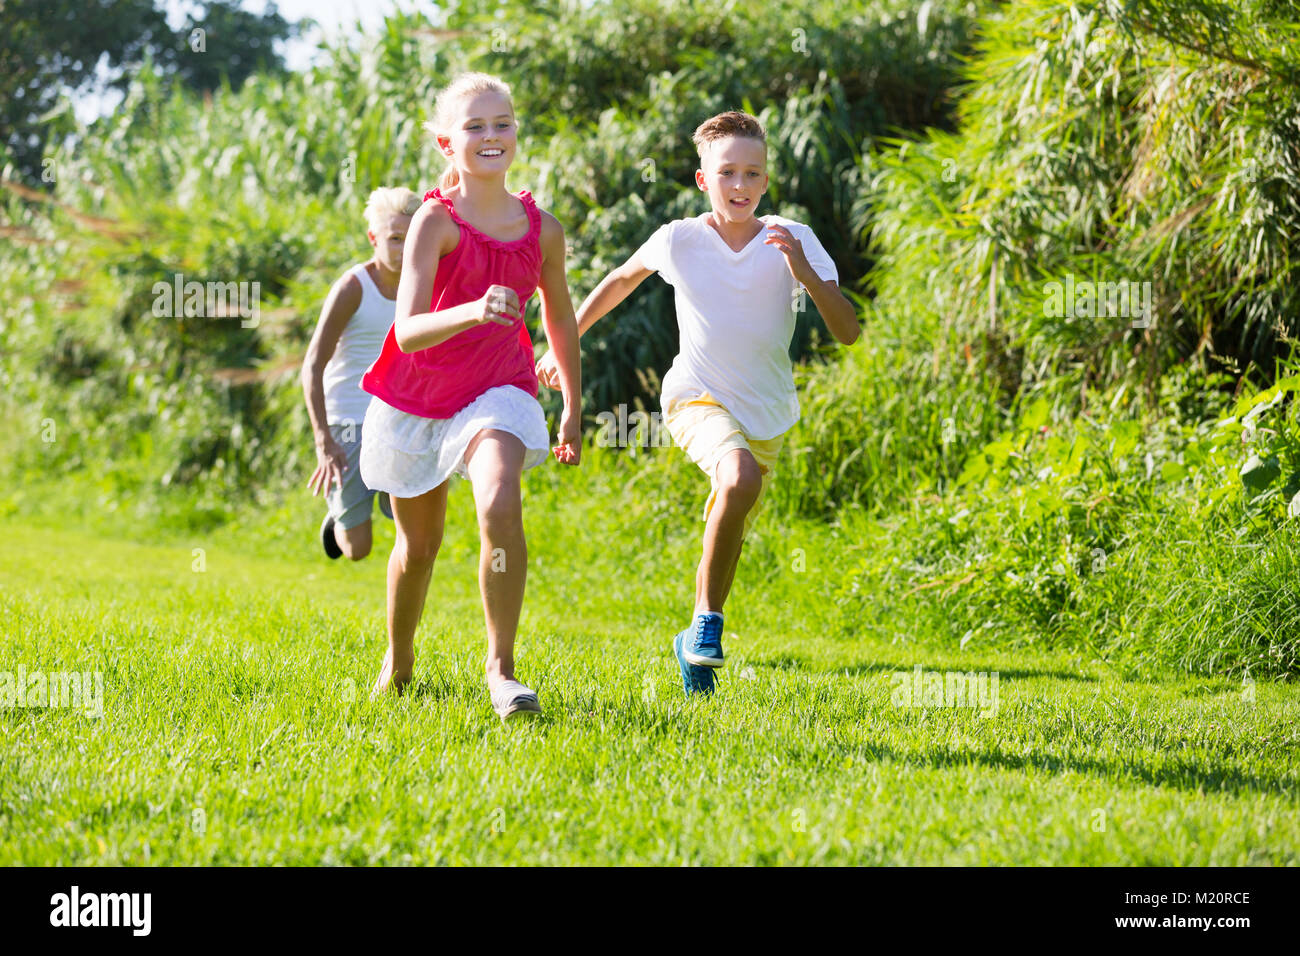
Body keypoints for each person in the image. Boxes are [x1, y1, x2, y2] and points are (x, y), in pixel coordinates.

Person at [537, 110, 859, 695]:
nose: (740, 185)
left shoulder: (793, 238)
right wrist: (567, 343)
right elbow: (619, 280)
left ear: (765, 182)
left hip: (768, 409)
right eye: (727, 172)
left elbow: (847, 331)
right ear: (702, 179)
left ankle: (691, 640)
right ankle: (710, 625)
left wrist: (805, 274)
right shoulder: (680, 239)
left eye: (752, 174)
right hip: (694, 394)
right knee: (737, 482)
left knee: (730, 519)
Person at [359, 72, 582, 719]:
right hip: (418, 395)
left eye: (502, 123)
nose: (491, 136)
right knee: (418, 547)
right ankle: (399, 664)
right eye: (475, 126)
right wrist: (474, 310)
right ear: (446, 143)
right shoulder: (436, 222)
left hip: (497, 390)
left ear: (516, 132)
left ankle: (502, 670)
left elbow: (560, 319)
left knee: (499, 493)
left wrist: (570, 401)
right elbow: (407, 329)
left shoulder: (544, 231)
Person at [302, 187, 421, 560]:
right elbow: (313, 365)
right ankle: (338, 519)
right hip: (349, 419)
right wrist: (324, 439)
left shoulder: (425, 286)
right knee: (357, 549)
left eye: (412, 237)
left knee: (408, 516)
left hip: (399, 417)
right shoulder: (353, 288)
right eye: (394, 239)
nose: (403, 249)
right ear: (373, 239)